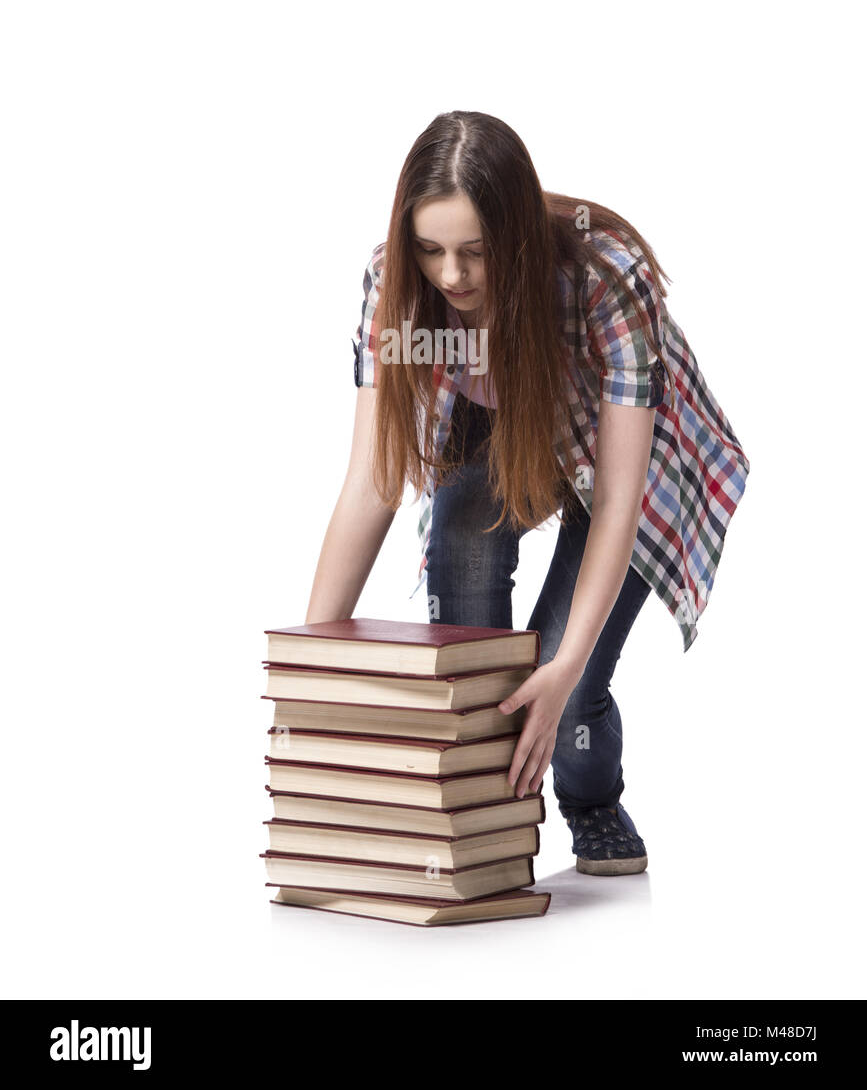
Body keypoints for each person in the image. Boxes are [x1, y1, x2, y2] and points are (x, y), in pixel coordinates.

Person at [305, 110, 750, 876]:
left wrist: (565, 663)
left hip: (619, 455)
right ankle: (491, 836)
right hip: (492, 430)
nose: (451, 276)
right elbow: (372, 478)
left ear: (515, 235)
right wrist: (313, 659)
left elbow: (616, 499)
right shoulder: (395, 287)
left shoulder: (604, 278)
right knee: (478, 685)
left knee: (561, 687)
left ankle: (591, 800)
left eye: (476, 252)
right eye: (431, 249)